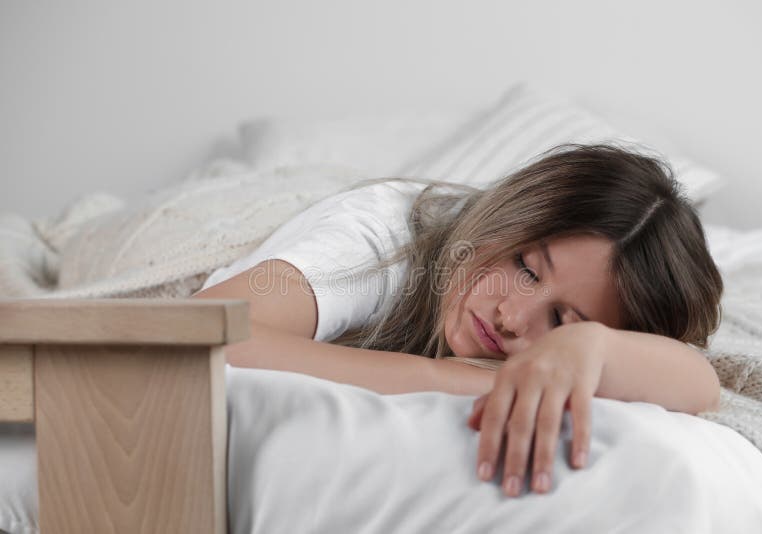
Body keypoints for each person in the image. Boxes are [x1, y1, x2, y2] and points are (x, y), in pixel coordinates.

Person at [193, 143, 724, 498]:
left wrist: (591, 349)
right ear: (511, 216)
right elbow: (202, 336)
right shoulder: (375, 244)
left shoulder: (585, 335)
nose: (511, 317)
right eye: (524, 267)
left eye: (561, 320)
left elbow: (699, 382)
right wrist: (449, 378)